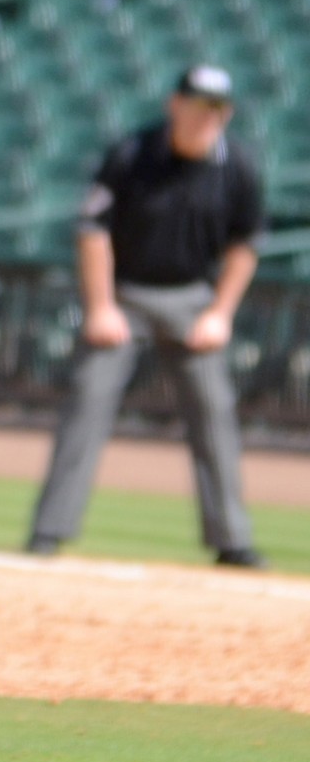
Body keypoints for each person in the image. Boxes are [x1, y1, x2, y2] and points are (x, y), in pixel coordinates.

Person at [26, 65, 268, 568]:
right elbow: (93, 229)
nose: (207, 116)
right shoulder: (133, 154)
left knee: (214, 411)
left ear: (227, 113)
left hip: (193, 301)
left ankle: (232, 540)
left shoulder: (237, 164)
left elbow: (245, 245)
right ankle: (49, 531)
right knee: (88, 401)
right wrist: (100, 307)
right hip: (126, 297)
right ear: (174, 104)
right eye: (198, 104)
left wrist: (220, 314)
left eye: (217, 108)